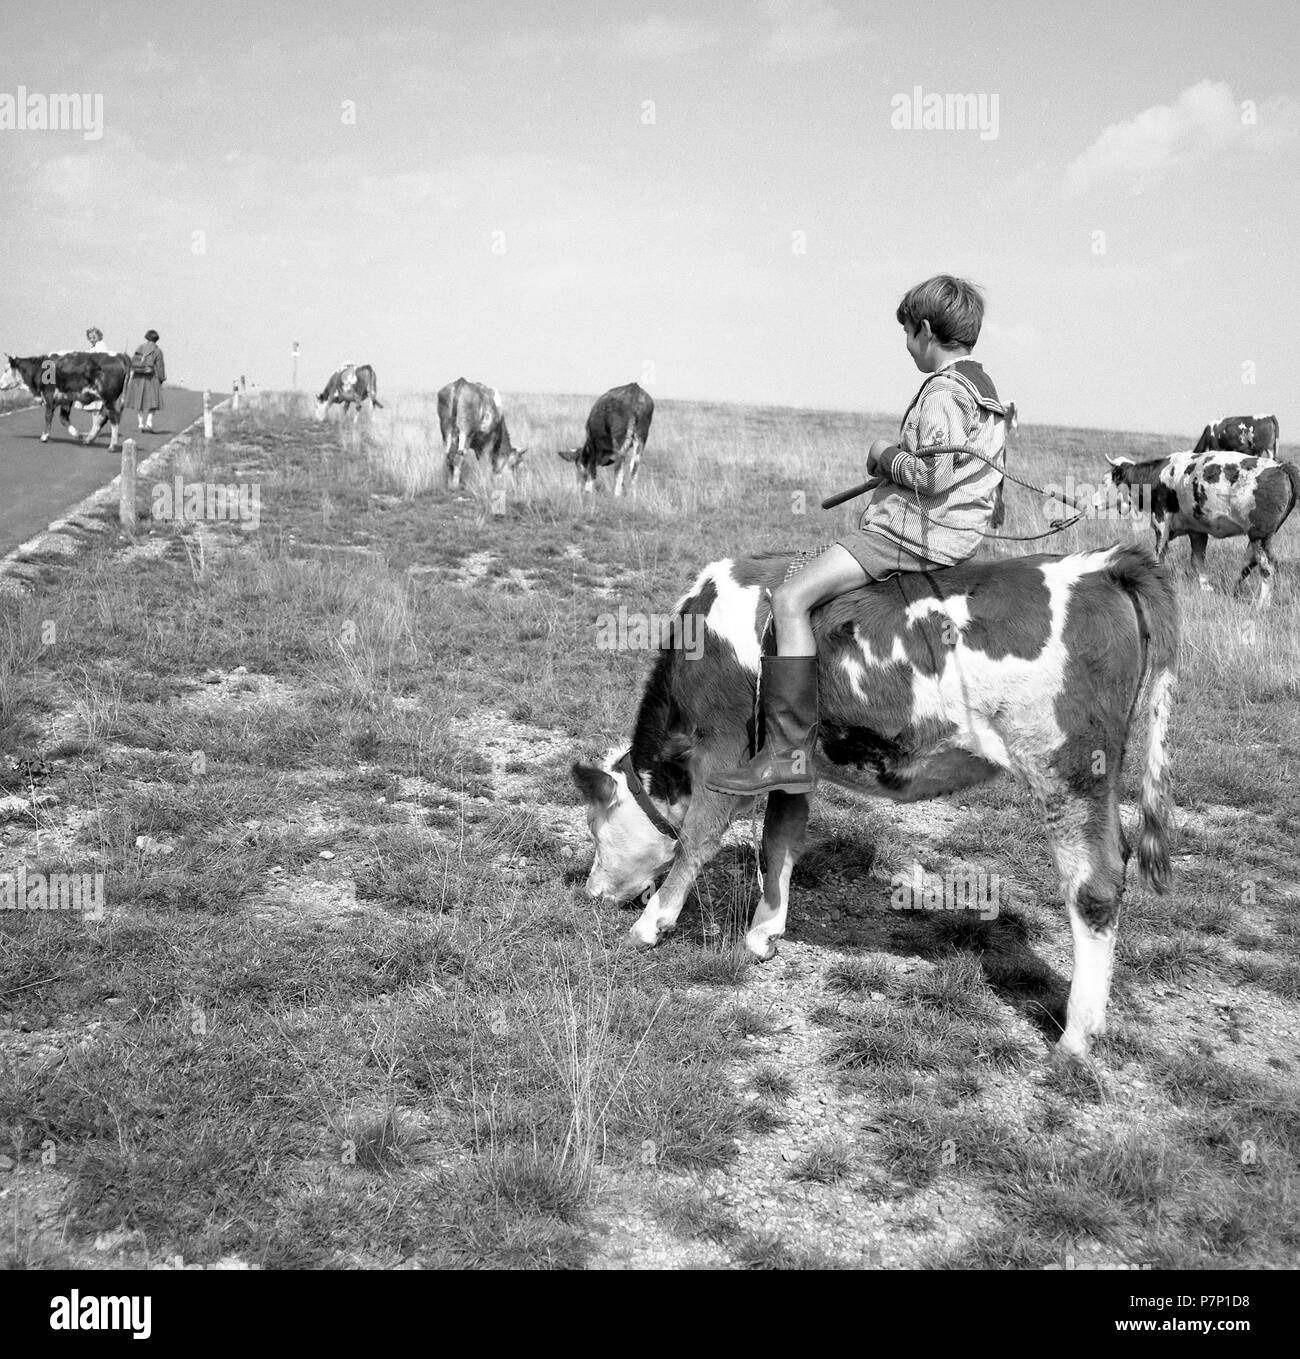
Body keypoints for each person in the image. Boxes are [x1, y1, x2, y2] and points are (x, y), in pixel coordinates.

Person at [707, 275, 1008, 797]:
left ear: (926, 331)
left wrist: (883, 455)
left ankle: (787, 753)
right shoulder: (987, 392)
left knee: (790, 597)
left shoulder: (942, 392)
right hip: (958, 537)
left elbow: (932, 476)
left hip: (911, 535)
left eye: (908, 333)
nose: (907, 344)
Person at [127, 329, 166, 433]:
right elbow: (160, 367)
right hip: (152, 378)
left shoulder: (140, 348)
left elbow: (133, 362)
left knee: (139, 402)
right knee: (152, 402)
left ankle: (140, 425)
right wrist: (161, 379)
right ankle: (149, 423)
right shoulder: (157, 351)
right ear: (156, 339)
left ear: (147, 337)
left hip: (138, 378)